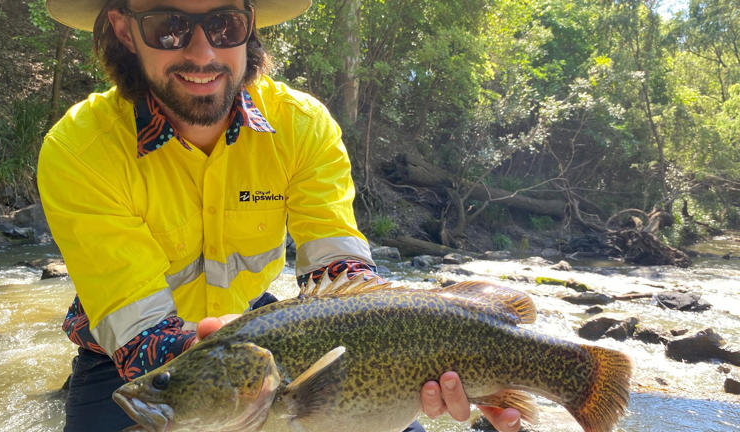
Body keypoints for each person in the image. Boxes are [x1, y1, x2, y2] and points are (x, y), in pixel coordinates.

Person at [39, 0, 522, 431]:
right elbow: (139, 329)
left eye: (225, 24)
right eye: (169, 26)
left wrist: (436, 349)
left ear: (249, 26)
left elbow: (341, 266)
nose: (204, 53)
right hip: (138, 361)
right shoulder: (79, 151)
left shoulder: (302, 126)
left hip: (268, 335)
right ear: (124, 30)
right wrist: (231, 389)